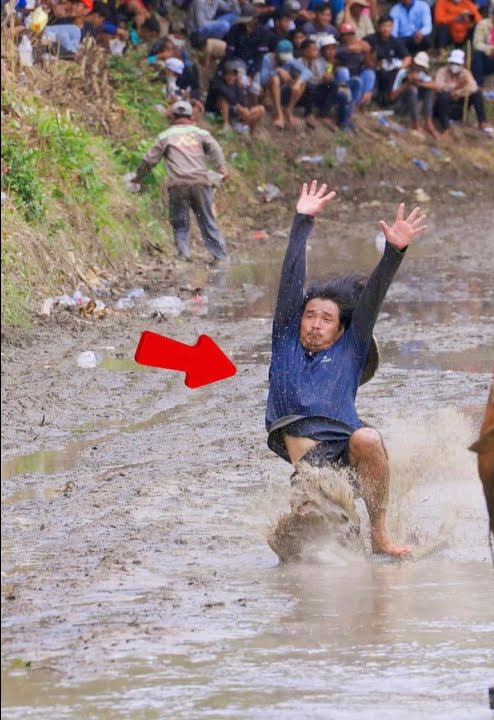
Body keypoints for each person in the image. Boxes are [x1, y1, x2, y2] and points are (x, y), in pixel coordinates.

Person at [266, 182, 427, 559]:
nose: (315, 324)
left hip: (348, 448)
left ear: (340, 330)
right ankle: (341, 528)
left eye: (326, 319)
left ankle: (380, 534)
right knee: (299, 548)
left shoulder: (350, 349)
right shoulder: (285, 340)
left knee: (368, 438)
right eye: (309, 316)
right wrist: (302, 220)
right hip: (311, 464)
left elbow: (372, 298)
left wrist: (394, 252)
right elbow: (290, 279)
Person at [132, 101, 230, 264]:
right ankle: (221, 256)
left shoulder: (165, 135)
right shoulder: (200, 133)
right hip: (200, 182)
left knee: (180, 222)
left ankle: (184, 254)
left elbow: (149, 160)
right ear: (191, 116)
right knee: (207, 221)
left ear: (172, 116)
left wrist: (138, 178)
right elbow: (216, 148)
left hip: (177, 184)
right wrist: (222, 168)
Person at [433, 48, 490, 135]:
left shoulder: (465, 73)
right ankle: (445, 127)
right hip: (443, 107)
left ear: (461, 64)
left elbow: (473, 87)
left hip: (458, 104)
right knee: (443, 97)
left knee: (477, 94)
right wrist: (455, 87)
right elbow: (438, 86)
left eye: (457, 64)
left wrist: (458, 93)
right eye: (453, 63)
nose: (455, 65)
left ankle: (482, 122)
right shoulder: (442, 71)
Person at [390, 50, 441, 136]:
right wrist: (407, 83)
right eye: (418, 65)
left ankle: (428, 122)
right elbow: (392, 96)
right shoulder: (402, 73)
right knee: (412, 89)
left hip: (410, 107)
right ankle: (415, 123)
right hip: (397, 105)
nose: (418, 68)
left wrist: (420, 83)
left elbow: (435, 86)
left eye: (421, 66)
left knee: (429, 90)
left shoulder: (421, 74)